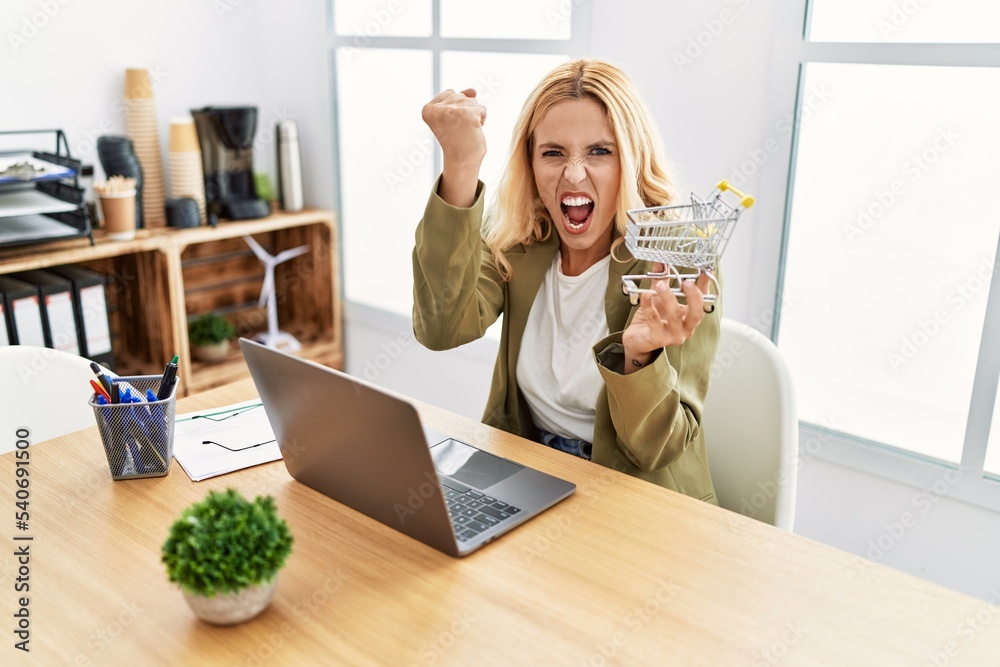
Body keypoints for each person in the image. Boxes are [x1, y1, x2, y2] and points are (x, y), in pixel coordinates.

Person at [412, 59, 720, 503]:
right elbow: (442, 328)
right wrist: (461, 165)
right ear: (531, 163)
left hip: (634, 501)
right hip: (524, 470)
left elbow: (656, 450)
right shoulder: (518, 235)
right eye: (553, 152)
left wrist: (639, 358)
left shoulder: (674, 255)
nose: (573, 175)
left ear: (631, 159)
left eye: (600, 151)